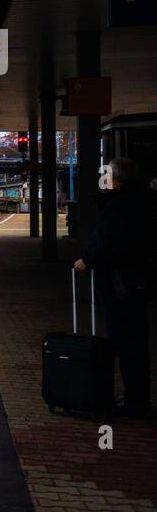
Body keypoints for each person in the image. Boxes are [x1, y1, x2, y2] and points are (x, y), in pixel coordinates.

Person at [74, 157, 154, 413]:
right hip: (130, 284)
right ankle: (135, 397)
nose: (102, 177)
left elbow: (114, 244)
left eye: (105, 173)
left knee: (128, 343)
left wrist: (88, 260)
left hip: (123, 285)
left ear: (115, 178)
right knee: (133, 342)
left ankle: (136, 402)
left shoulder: (122, 206)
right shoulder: (134, 201)